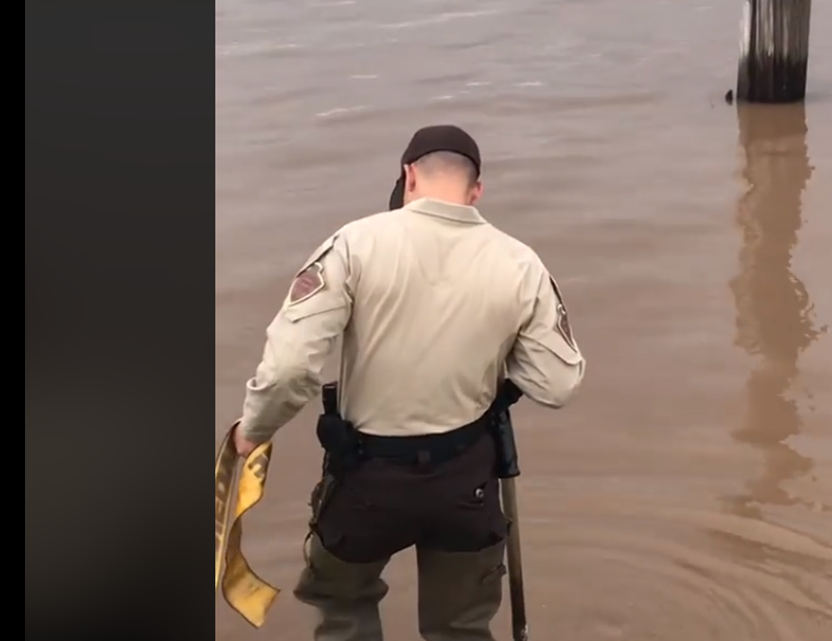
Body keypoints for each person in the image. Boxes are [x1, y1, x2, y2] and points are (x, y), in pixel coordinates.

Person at [230, 124, 586, 641]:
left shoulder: (354, 244)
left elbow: (289, 370)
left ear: (408, 176)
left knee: (343, 606)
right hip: (468, 480)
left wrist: (255, 430)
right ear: (476, 191)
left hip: (368, 479)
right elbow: (558, 383)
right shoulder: (520, 263)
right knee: (461, 627)